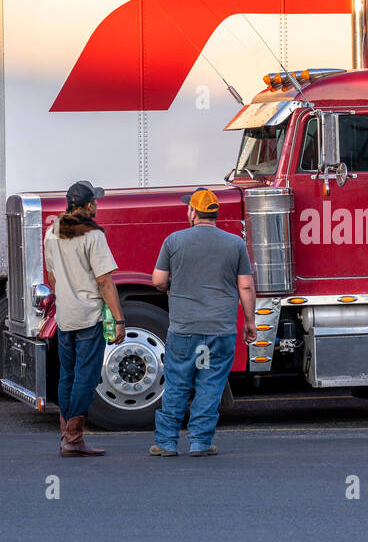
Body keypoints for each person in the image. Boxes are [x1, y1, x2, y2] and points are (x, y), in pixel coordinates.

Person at [150, 188, 257, 457]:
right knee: (210, 385)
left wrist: (171, 286)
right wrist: (250, 322)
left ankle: (166, 443)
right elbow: (246, 286)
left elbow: (158, 281)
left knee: (178, 384)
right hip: (219, 331)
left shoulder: (174, 240)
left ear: (193, 212)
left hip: (185, 331)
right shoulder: (235, 244)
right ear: (215, 214)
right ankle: (200, 442)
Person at [43, 180, 124, 458]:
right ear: (87, 205)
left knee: (67, 376)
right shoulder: (93, 235)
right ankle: (74, 438)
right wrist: (119, 319)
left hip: (64, 317)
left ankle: (66, 435)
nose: (98, 205)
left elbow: (52, 277)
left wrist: (66, 297)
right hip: (89, 317)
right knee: (86, 379)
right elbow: (104, 281)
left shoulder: (52, 232)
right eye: (96, 201)